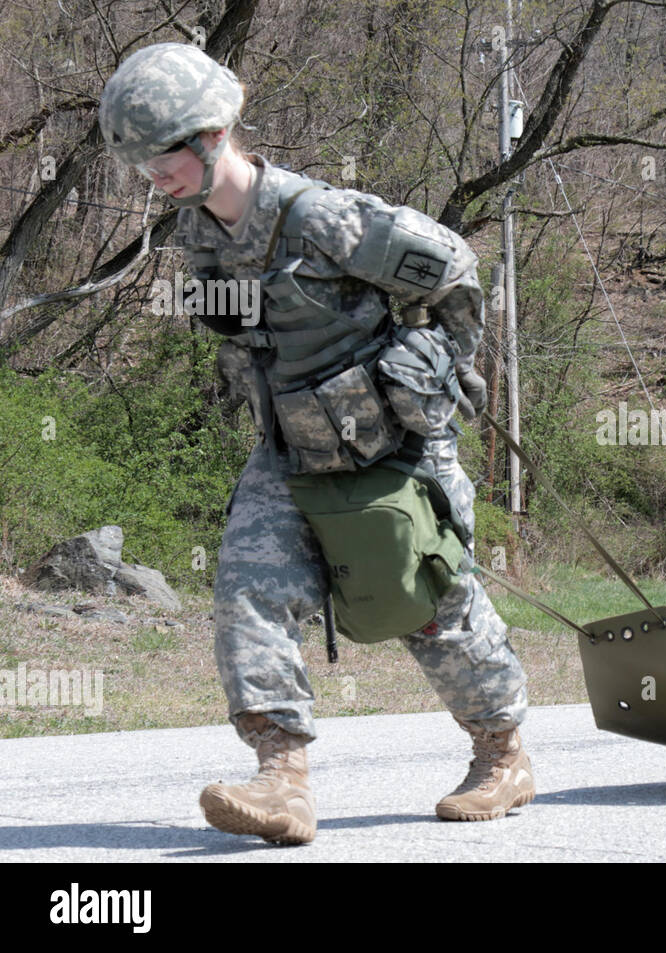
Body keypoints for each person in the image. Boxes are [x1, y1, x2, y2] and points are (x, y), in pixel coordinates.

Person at [98, 42, 532, 844]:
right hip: (291, 440)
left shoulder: (324, 218)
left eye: (161, 155)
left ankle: (502, 751)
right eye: (139, 163)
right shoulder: (199, 238)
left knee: (425, 598)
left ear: (210, 135)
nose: (152, 176)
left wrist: (442, 370)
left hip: (395, 440)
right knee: (247, 587)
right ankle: (281, 777)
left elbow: (456, 269)